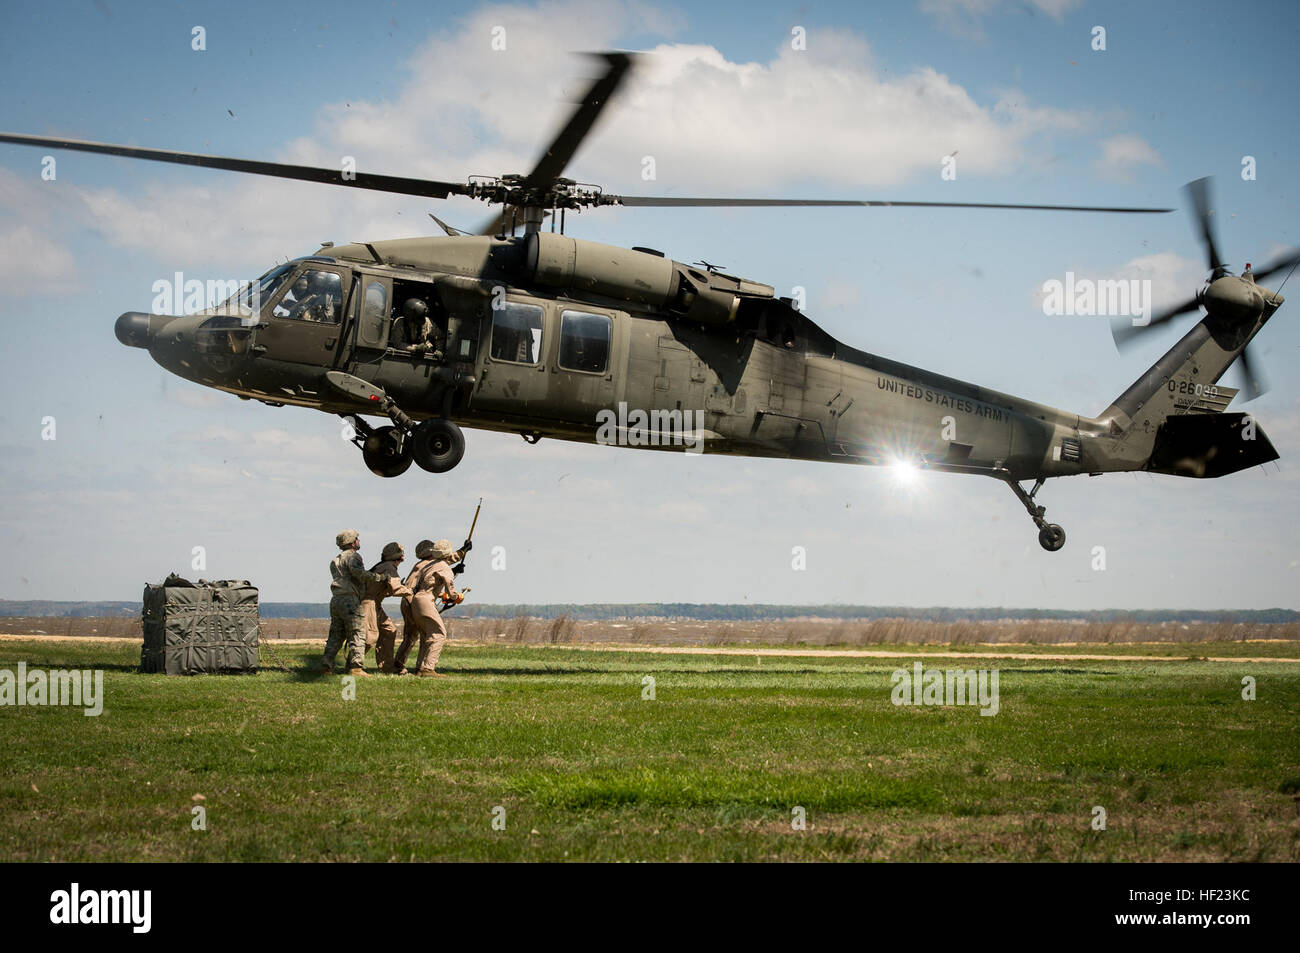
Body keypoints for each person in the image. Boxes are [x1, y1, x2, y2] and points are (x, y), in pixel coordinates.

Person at [393, 538, 469, 678]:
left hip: (414, 601)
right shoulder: (429, 565)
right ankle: (417, 667)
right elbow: (445, 568)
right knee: (430, 635)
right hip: (417, 602)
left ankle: (420, 667)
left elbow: (439, 569)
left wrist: (462, 551)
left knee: (424, 635)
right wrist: (455, 596)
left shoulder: (427, 564)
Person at [323, 530, 390, 677]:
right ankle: (355, 667)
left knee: (336, 634)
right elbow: (359, 573)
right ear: (352, 542)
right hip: (350, 600)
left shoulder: (336, 560)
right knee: (357, 633)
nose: (359, 541)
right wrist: (381, 577)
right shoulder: (353, 556)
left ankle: (326, 665)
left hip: (336, 599)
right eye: (357, 539)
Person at [363, 542, 412, 674]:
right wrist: (411, 591)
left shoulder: (382, 566)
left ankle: (387, 667)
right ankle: (353, 665)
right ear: (399, 556)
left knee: (389, 630)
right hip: (369, 604)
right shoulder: (389, 567)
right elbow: (396, 589)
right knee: (369, 636)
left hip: (373, 603)